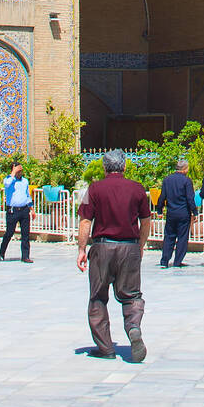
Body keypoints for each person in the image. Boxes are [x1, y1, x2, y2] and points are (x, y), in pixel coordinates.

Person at [76, 150, 150, 362]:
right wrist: (141, 245)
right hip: (129, 247)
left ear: (104, 167)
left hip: (103, 248)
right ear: (124, 167)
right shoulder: (137, 189)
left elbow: (85, 221)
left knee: (98, 297)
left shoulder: (95, 188)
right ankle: (133, 326)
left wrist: (82, 249)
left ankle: (106, 347)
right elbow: (145, 221)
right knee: (132, 295)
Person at [156, 159, 198, 268]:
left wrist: (159, 210)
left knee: (169, 236)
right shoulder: (187, 181)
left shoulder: (167, 180)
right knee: (182, 238)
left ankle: (165, 260)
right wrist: (195, 212)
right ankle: (177, 261)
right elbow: (190, 198)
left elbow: (162, 196)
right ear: (185, 169)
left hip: (171, 213)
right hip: (183, 213)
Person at [0, 161, 33, 262]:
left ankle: (25, 256)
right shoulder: (9, 180)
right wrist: (13, 173)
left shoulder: (25, 181)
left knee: (25, 234)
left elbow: (27, 195)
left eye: (21, 170)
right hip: (13, 211)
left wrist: (32, 209)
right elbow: (7, 184)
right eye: (18, 170)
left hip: (24, 210)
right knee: (9, 232)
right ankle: (2, 253)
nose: (20, 172)